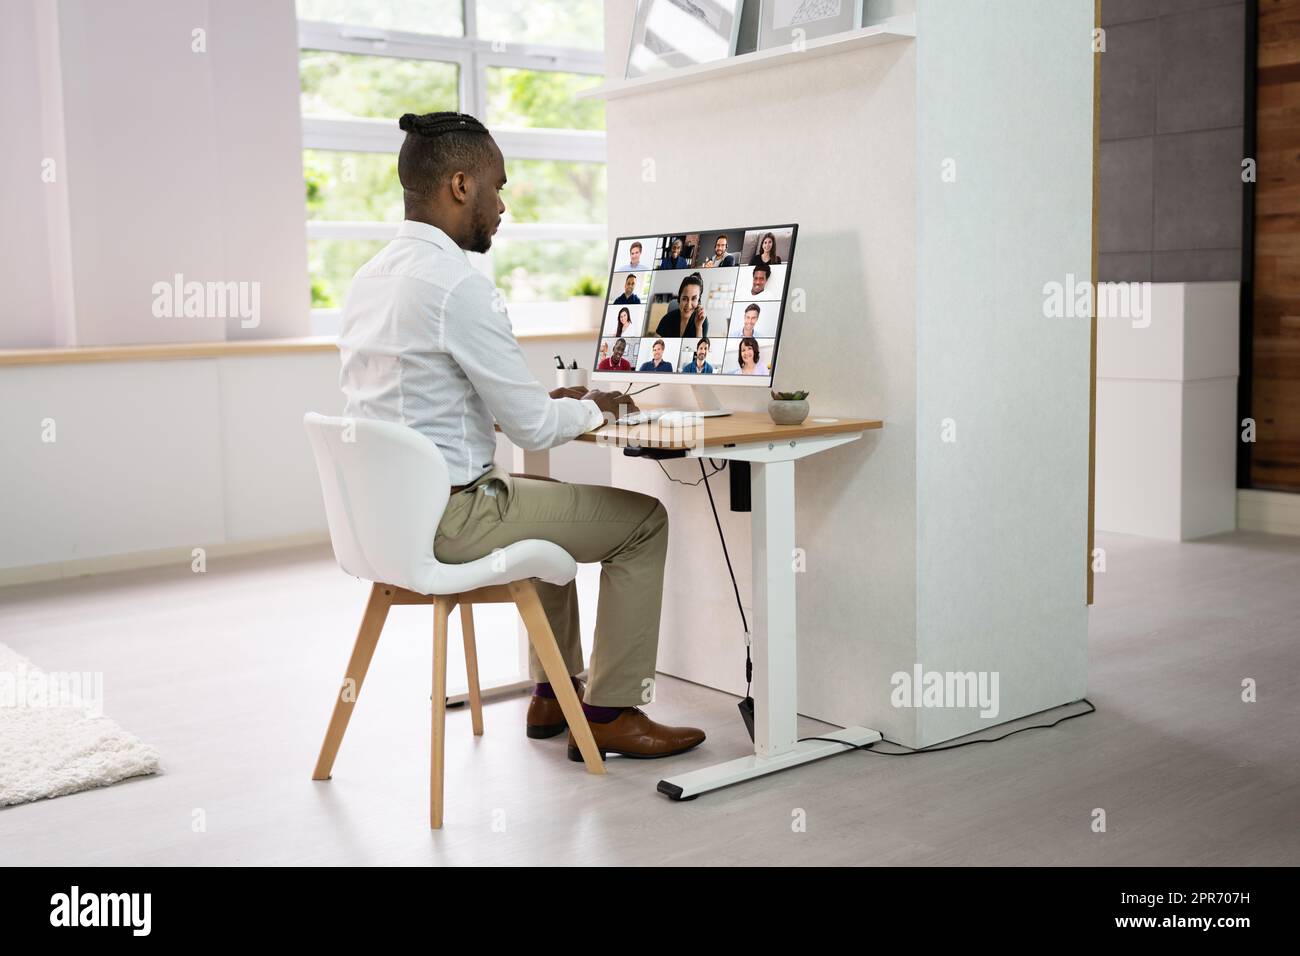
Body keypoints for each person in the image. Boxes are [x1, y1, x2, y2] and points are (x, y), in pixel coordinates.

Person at [338, 110, 703, 759]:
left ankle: (550, 692)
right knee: (642, 521)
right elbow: (534, 424)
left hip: (387, 523)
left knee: (539, 497)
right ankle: (612, 710)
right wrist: (597, 408)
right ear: (460, 186)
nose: (502, 205)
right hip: (452, 519)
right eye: (497, 186)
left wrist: (545, 403)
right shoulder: (456, 286)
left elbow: (438, 399)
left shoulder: (369, 280)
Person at [653, 272, 708, 338]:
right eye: (685, 299)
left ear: (698, 301)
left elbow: (700, 346)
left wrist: (698, 327)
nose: (689, 305)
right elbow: (655, 340)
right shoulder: (667, 319)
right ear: (679, 299)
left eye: (694, 299)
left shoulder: (702, 321)